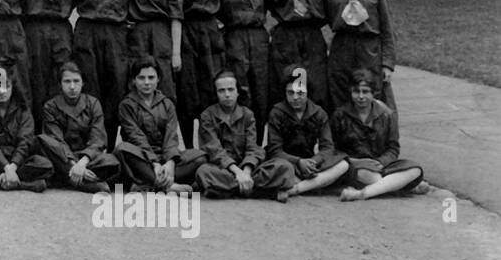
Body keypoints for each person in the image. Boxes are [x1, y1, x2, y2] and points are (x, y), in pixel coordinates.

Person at [70, 0, 133, 142]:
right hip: (88, 35)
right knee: (90, 86)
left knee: (115, 88)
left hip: (116, 38)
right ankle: (90, 144)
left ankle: (110, 146)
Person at [194, 71, 295, 200]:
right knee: (203, 172)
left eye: (231, 89)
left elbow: (253, 147)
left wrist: (246, 173)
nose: (227, 94)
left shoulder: (247, 114)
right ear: (216, 94)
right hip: (222, 169)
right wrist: (237, 173)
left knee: (285, 167)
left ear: (237, 92)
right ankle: (261, 192)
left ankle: (229, 190)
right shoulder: (207, 116)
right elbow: (214, 151)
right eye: (221, 91)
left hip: (248, 169)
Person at [330, 68, 424, 202]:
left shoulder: (387, 114)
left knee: (415, 169)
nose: (361, 97)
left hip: (382, 166)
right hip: (356, 167)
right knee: (367, 174)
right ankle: (396, 185)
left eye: (366, 92)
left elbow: (393, 148)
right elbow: (332, 149)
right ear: (350, 92)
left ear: (373, 93)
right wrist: (354, 161)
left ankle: (361, 193)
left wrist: (381, 162)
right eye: (356, 92)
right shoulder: (340, 115)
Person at [264, 0, 333, 112]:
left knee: (315, 83)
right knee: (289, 82)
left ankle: (316, 129)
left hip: (311, 35)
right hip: (286, 37)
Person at [170, 0, 225, 146]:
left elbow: (222, 4)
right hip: (187, 33)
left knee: (210, 89)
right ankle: (189, 149)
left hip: (210, 35)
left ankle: (208, 146)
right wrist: (175, 51)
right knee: (187, 91)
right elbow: (175, 10)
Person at [115, 56, 204, 193]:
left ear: (158, 79)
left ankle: (149, 182)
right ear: (134, 80)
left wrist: (170, 162)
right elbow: (136, 137)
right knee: (122, 149)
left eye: (151, 78)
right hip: (141, 158)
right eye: (141, 78)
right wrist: (154, 163)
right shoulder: (126, 105)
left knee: (200, 157)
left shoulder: (167, 104)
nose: (146, 82)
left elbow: (171, 136)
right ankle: (167, 185)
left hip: (164, 156)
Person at [325, 0, 397, 111]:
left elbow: (387, 30)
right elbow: (328, 17)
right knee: (340, 92)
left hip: (369, 48)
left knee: (371, 91)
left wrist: (387, 63)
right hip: (342, 48)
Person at [21, 0, 75, 132]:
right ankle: (36, 133)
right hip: (36, 31)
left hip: (61, 30)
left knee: (61, 77)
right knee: (37, 81)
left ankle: (60, 132)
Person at [35, 61, 119, 193]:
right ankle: (85, 183)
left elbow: (98, 139)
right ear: (60, 84)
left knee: (112, 161)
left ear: (83, 83)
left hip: (87, 158)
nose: (72, 86)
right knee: (43, 140)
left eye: (76, 81)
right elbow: (55, 140)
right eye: (67, 82)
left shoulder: (93, 103)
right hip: (62, 158)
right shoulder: (51, 106)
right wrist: (73, 165)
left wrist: (81, 164)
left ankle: (66, 178)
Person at [216, 0, 271, 130]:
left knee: (261, 89)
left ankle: (257, 141)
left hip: (258, 40)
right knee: (240, 87)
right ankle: (238, 138)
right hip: (234, 38)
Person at [268, 65, 349, 198]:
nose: (295, 97)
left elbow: (327, 147)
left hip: (311, 162)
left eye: (300, 93)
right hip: (287, 162)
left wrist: (314, 161)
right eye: (290, 93)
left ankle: (296, 189)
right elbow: (274, 150)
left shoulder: (319, 113)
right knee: (281, 170)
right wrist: (298, 162)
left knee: (343, 164)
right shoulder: (277, 112)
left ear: (308, 92)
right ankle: (312, 185)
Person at [0, 61, 52, 192]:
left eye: (6, 86)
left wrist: (12, 166)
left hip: (18, 160)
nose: (2, 92)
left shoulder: (23, 109)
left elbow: (24, 142)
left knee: (45, 164)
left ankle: (5, 179)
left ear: (13, 87)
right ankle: (21, 184)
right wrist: (5, 167)